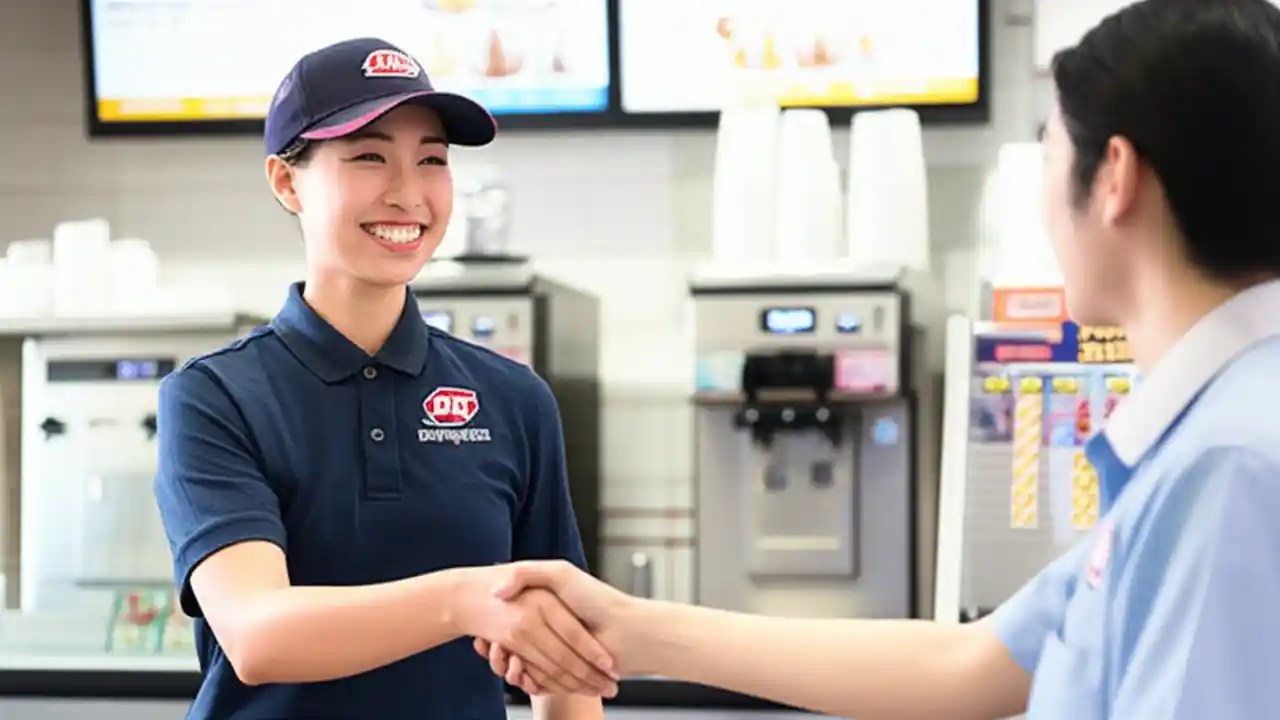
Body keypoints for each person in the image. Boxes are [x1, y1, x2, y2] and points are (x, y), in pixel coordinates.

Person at [478, 0, 1280, 717]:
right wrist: (628, 628)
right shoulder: (1208, 436)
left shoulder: (1230, 468)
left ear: (1114, 178)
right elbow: (975, 661)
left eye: (1046, 152)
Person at [153, 37, 616, 720]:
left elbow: (563, 666)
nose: (409, 193)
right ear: (287, 182)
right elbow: (258, 633)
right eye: (369, 156)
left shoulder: (515, 400)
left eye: (432, 160)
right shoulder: (215, 397)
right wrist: (465, 601)